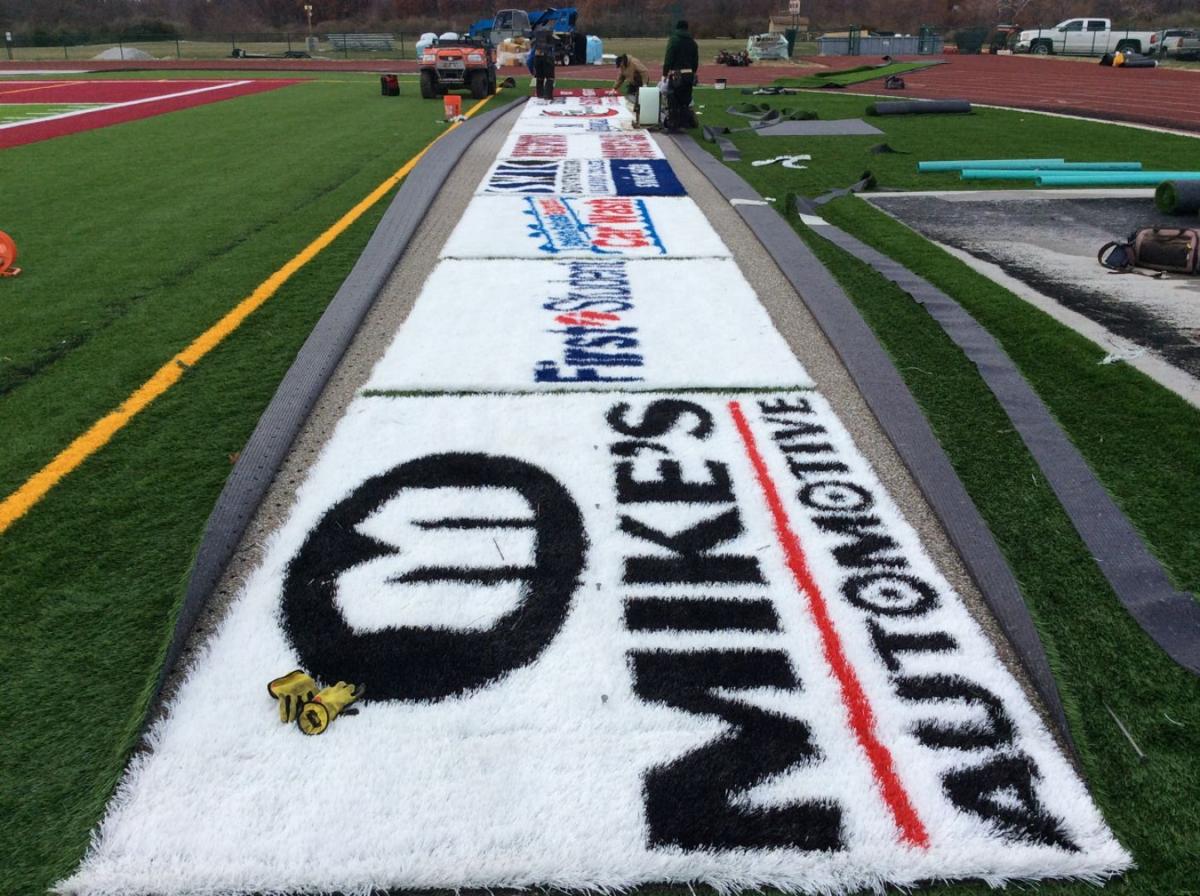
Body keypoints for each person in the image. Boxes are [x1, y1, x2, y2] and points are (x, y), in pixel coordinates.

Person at [662, 19, 699, 130]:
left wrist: (665, 73)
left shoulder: (674, 40)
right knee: (685, 100)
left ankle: (674, 122)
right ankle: (686, 121)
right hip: (689, 75)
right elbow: (695, 62)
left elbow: (668, 58)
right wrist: (692, 73)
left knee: (673, 98)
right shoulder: (693, 42)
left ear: (677, 28)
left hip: (677, 74)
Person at [531, 15, 556, 101]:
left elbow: (533, 43)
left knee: (539, 77)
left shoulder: (537, 31)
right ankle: (547, 95)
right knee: (550, 77)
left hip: (537, 57)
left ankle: (540, 94)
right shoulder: (550, 31)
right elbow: (553, 43)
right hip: (547, 57)